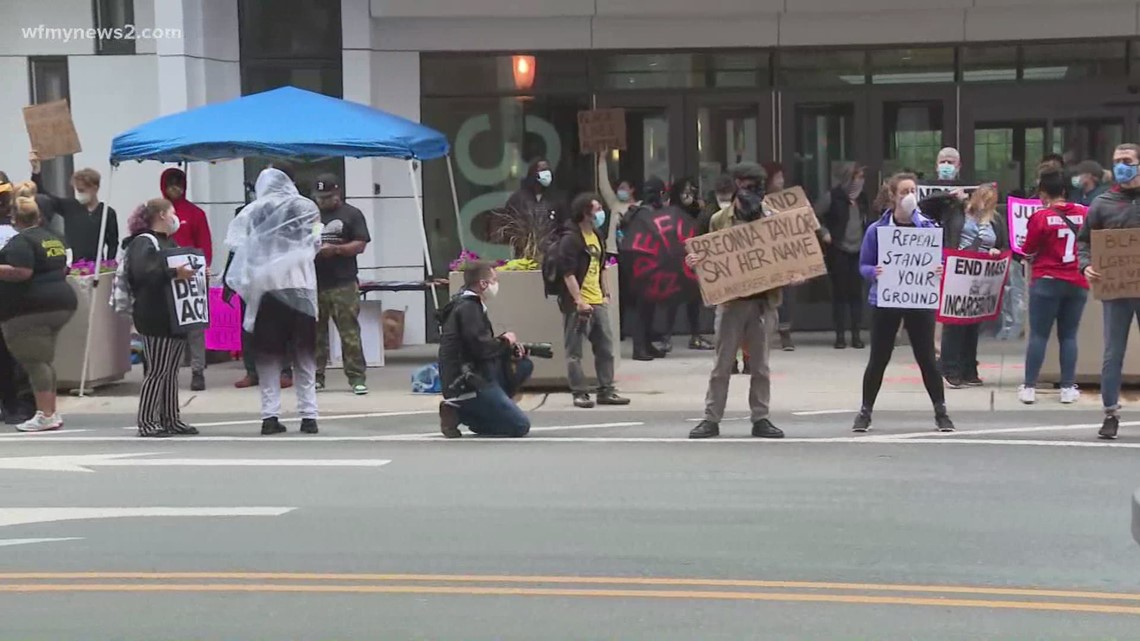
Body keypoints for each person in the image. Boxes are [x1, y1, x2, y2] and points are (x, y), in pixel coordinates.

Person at [687, 163, 785, 440]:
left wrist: (795, 271)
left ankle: (761, 418)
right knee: (722, 363)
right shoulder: (718, 219)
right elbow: (706, 254)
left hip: (762, 302)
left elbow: (785, 255)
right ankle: (711, 418)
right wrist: (696, 262)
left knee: (761, 365)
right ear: (737, 186)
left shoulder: (774, 219)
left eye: (757, 184)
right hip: (731, 303)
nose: (752, 190)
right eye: (747, 184)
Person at [852, 172, 954, 434]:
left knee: (927, 359)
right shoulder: (878, 231)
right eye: (904, 192)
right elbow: (863, 264)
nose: (909, 196)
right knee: (879, 358)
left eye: (913, 191)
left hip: (919, 300)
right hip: (886, 301)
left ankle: (941, 412)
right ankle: (865, 411)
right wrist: (873, 272)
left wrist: (938, 269)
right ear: (893, 197)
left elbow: (938, 259)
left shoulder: (928, 229)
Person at [226, 168, 322, 436]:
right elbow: (317, 240)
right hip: (301, 288)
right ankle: (309, 416)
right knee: (304, 355)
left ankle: (270, 416)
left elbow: (240, 248)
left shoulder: (253, 211)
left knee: (268, 357)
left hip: (268, 291)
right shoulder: (309, 207)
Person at [1078, 143, 1140, 440]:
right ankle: (1111, 413)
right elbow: (1085, 241)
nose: (1121, 165)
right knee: (1113, 351)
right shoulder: (1102, 203)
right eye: (1117, 161)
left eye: (1127, 160)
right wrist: (1086, 265)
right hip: (1116, 289)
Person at [122, 198, 200, 438]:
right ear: (163, 215)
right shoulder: (144, 242)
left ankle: (170, 418)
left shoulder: (167, 241)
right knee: (157, 370)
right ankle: (147, 421)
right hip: (154, 314)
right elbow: (144, 272)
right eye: (172, 212)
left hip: (172, 314)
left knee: (170, 370)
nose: (176, 217)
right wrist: (175, 272)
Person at [0, 196, 77, 432]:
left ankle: (46, 414)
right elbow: (64, 267)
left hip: (31, 309)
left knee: (34, 363)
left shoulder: (20, 242)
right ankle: (50, 411)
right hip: (61, 303)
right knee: (43, 361)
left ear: (14, 218)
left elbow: (22, 272)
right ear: (39, 216)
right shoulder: (52, 239)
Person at [437, 262, 533, 438]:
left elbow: (480, 345)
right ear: (483, 284)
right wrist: (505, 341)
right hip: (468, 381)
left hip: (476, 372)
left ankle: (488, 408)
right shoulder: (468, 308)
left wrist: (507, 349)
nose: (496, 285)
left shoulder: (467, 304)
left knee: (523, 365)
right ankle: (461, 411)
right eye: (494, 280)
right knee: (520, 426)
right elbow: (481, 349)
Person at [553, 193, 630, 409]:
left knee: (605, 347)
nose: (600, 213)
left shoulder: (597, 235)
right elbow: (567, 273)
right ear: (585, 213)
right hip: (578, 303)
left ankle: (606, 389)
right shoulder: (571, 239)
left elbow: (602, 265)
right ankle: (579, 392)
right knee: (575, 350)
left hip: (597, 300)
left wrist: (605, 292)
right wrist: (578, 300)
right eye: (596, 210)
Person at [1019, 169, 1088, 405]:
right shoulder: (1084, 213)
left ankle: (1029, 387)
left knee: (1039, 335)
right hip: (1077, 280)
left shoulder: (1040, 217)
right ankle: (1068, 387)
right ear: (1065, 190)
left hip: (1046, 280)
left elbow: (1027, 249)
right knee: (1068, 336)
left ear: (1043, 193)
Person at [227, 176, 293, 391]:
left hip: (278, 275)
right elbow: (235, 247)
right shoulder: (245, 212)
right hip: (251, 275)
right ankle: (252, 371)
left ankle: (284, 370)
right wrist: (230, 280)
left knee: (280, 325)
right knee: (248, 325)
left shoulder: (289, 209)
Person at [940, 185, 1010, 388]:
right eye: (983, 198)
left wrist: (997, 251)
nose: (985, 203)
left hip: (981, 275)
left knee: (972, 324)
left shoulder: (995, 220)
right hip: (958, 271)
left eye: (990, 200)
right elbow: (927, 205)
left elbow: (1004, 244)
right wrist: (951, 196)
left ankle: (969, 368)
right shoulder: (957, 212)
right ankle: (950, 368)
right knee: (954, 322)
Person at [311, 173, 371, 395]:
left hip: (343, 281)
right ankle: (316, 376)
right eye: (319, 197)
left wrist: (336, 249)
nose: (323, 201)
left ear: (337, 194)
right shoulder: (310, 215)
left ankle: (356, 377)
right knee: (315, 333)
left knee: (349, 332)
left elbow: (360, 244)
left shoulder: (351, 214)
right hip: (315, 281)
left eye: (327, 197)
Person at [160, 167, 213, 392]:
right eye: (171, 184)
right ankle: (166, 369)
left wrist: (204, 267)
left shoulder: (195, 213)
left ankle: (197, 370)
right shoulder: (157, 214)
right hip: (165, 275)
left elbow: (205, 244)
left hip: (192, 274)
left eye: (179, 184)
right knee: (166, 326)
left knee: (195, 326)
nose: (175, 189)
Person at [817, 162, 871, 350]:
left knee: (857, 294)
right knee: (840, 294)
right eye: (857, 178)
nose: (860, 182)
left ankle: (856, 334)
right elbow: (814, 217)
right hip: (839, 249)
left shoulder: (862, 199)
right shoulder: (832, 197)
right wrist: (824, 232)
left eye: (862, 178)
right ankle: (840, 335)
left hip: (859, 250)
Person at [30, 152, 117, 262]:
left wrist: (108, 265)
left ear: (95, 188)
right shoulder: (69, 206)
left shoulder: (107, 213)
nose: (79, 193)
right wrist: (36, 171)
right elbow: (43, 194)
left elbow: (113, 244)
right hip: (73, 264)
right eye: (76, 190)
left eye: (82, 190)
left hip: (96, 267)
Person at [660, 177, 712, 351]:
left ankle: (696, 336)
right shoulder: (671, 211)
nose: (688, 195)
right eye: (685, 191)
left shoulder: (698, 210)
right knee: (673, 300)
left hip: (692, 259)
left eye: (691, 190)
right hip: (675, 259)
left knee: (694, 300)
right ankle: (666, 336)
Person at [621, 178, 670, 361]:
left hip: (643, 264)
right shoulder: (647, 213)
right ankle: (639, 347)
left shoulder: (641, 211)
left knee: (649, 307)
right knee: (644, 308)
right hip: (641, 265)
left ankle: (646, 344)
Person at [503, 158, 565, 255]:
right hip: (524, 251)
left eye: (547, 170)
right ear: (533, 173)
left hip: (552, 252)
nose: (546, 174)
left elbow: (563, 225)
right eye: (542, 170)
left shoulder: (556, 198)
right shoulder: (518, 198)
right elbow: (508, 224)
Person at [597, 155, 635, 249]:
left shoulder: (640, 208)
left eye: (623, 188)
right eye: (618, 188)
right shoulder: (615, 204)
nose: (619, 191)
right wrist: (602, 159)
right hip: (613, 252)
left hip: (631, 251)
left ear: (632, 190)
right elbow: (603, 185)